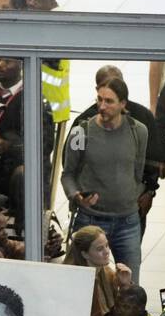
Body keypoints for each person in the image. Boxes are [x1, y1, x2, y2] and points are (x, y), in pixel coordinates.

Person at [62, 77, 147, 277]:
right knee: (82, 282)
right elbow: (67, 175)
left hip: (128, 222)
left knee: (130, 284)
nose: (102, 106)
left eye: (109, 101)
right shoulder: (80, 132)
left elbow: (138, 171)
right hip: (90, 221)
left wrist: (135, 195)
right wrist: (76, 196)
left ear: (123, 104)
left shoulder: (139, 131)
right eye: (99, 99)